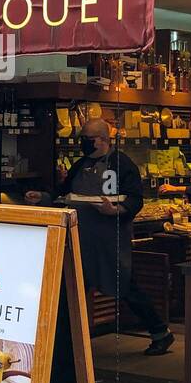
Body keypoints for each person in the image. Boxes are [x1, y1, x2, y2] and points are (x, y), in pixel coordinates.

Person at [29, 118, 173, 355]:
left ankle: (160, 332)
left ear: (103, 140)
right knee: (73, 287)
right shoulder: (80, 164)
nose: (83, 143)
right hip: (81, 238)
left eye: (88, 139)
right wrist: (43, 198)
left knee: (125, 286)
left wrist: (116, 210)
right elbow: (63, 194)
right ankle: (64, 341)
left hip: (109, 239)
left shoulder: (121, 164)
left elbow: (135, 199)